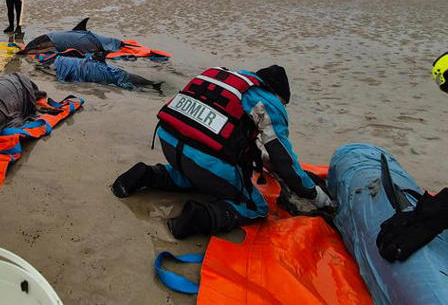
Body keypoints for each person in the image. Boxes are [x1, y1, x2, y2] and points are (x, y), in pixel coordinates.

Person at [112, 65, 333, 238]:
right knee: (256, 207)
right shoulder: (268, 102)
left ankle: (147, 174)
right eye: (283, 103)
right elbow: (283, 159)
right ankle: (197, 218)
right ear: (278, 95)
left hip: (169, 143)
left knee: (191, 175)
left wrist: (263, 160)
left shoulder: (223, 78)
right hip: (202, 160)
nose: (282, 108)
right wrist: (313, 194)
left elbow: (225, 130)